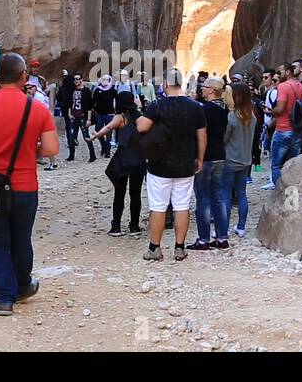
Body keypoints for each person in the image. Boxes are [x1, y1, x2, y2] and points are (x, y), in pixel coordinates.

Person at [0, 53, 60, 316]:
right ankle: (23, 286)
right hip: (25, 186)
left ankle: (3, 298)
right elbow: (51, 149)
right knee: (21, 238)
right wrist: (30, 150)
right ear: (24, 76)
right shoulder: (37, 108)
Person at [136, 68, 206, 262]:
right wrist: (200, 158)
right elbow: (202, 135)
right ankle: (180, 247)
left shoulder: (157, 106)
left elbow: (142, 126)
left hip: (159, 165)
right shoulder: (195, 107)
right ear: (181, 84)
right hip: (185, 164)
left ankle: (154, 248)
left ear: (165, 84)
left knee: (158, 206)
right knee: (182, 205)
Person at [90, 91, 146, 237]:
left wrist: (96, 135)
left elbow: (108, 128)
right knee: (136, 194)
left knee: (119, 194)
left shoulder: (120, 117)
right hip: (138, 158)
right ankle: (134, 226)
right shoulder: (140, 117)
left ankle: (116, 226)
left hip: (123, 158)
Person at [187, 76, 229, 250]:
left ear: (211, 90)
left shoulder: (203, 110)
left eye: (204, 86)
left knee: (203, 199)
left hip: (205, 158)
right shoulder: (224, 109)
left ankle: (203, 239)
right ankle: (222, 237)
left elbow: (198, 134)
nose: (202, 89)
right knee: (219, 198)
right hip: (220, 156)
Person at [266, 62, 302, 190]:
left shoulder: (283, 87)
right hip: (297, 131)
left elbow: (280, 109)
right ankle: (291, 191)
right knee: (292, 165)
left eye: (280, 72)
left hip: (283, 129)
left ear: (288, 72)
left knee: (276, 165)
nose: (278, 75)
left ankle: (279, 194)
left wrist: (269, 111)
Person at [222, 82, 256, 237]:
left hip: (230, 160)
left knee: (226, 194)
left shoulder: (232, 116)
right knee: (242, 194)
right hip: (245, 160)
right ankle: (241, 227)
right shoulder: (252, 116)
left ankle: (224, 228)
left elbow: (225, 139)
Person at [25, 82, 57, 170]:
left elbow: (41, 111)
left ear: (34, 87)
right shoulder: (34, 96)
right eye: (27, 88)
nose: (28, 90)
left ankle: (52, 162)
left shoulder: (38, 98)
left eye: (30, 87)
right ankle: (51, 162)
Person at [65, 73, 96, 162]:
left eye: (78, 79)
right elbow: (69, 103)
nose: (76, 81)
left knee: (85, 135)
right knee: (71, 136)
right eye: (75, 79)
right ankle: (71, 155)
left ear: (82, 79)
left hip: (83, 116)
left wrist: (89, 119)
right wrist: (69, 114)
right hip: (73, 116)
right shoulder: (72, 90)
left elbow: (89, 106)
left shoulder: (86, 91)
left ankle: (92, 155)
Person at [259, 71, 280, 188]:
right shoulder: (269, 92)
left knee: (273, 152)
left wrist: (268, 126)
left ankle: (274, 180)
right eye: (263, 77)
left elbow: (276, 110)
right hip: (269, 124)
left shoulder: (273, 92)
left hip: (272, 125)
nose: (263, 79)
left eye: (266, 77)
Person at [91, 75, 118, 158]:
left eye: (107, 79)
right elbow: (93, 101)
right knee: (98, 130)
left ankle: (108, 151)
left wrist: (116, 110)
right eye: (104, 79)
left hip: (109, 114)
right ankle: (104, 145)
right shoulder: (97, 89)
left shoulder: (113, 90)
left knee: (109, 133)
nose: (105, 81)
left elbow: (116, 100)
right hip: (99, 114)